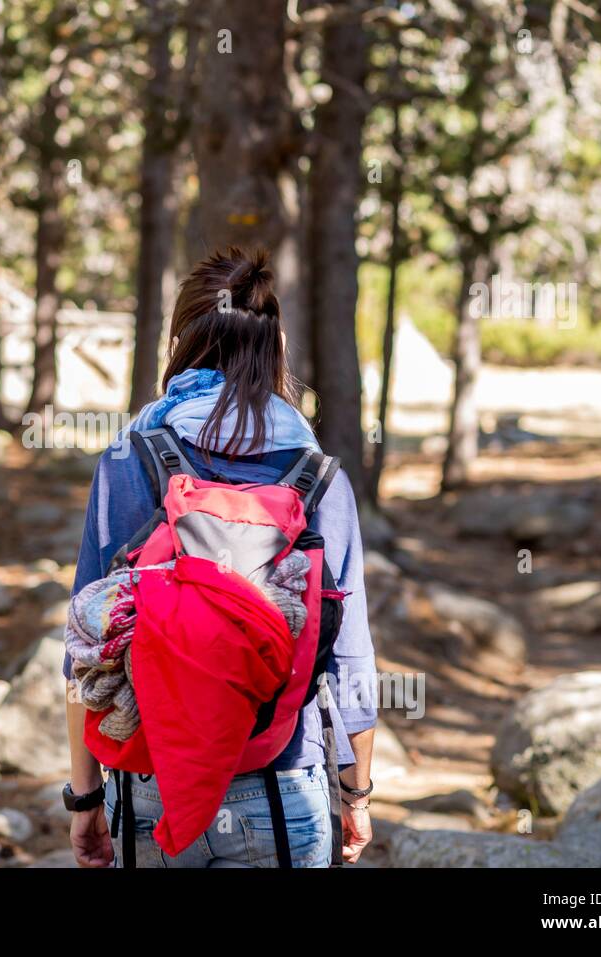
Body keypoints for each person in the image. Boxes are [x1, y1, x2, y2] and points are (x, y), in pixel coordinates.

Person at [62, 247, 377, 868]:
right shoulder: (318, 475)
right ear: (275, 349)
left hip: (155, 790)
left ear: (180, 343)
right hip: (284, 783)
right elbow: (351, 655)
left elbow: (86, 646)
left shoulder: (130, 460)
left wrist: (85, 796)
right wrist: (356, 793)